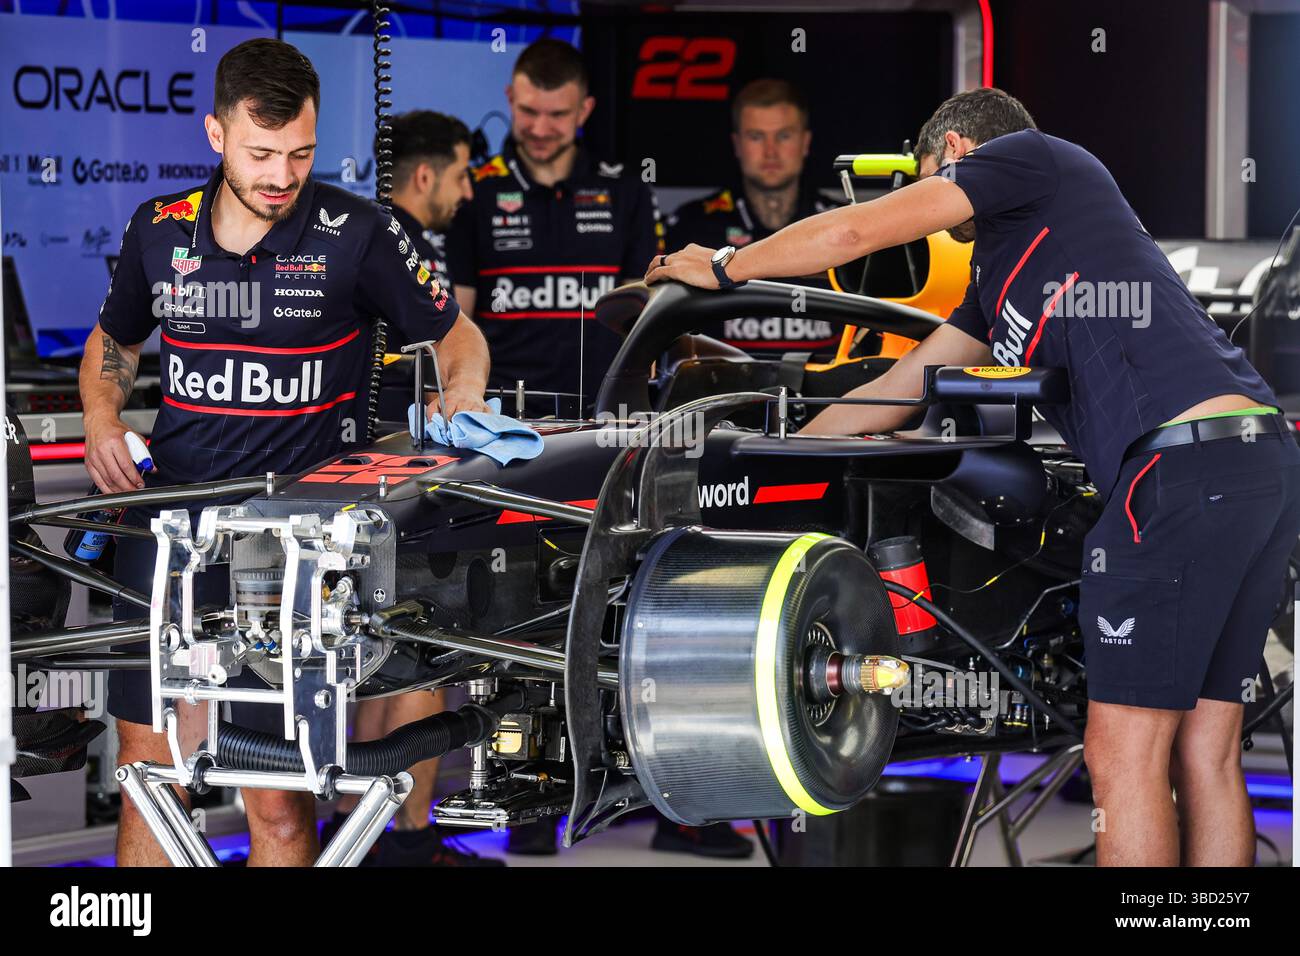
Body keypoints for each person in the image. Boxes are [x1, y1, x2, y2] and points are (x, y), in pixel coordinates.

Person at [647, 87, 1300, 867]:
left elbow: (854, 228)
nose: (930, 204)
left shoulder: (1031, 158)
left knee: (1122, 754)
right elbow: (895, 392)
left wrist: (723, 266)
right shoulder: (1002, 271)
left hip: (1179, 464)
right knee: (1206, 746)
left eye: (926, 177)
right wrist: (770, 459)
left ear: (955, 152)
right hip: (1251, 456)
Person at [81, 38, 491, 866]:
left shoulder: (360, 231)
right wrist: (99, 417)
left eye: (299, 153)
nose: (280, 175)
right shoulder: (158, 229)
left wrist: (465, 405)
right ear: (215, 135)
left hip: (292, 552)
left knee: (277, 795)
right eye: (261, 153)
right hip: (165, 538)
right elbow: (110, 343)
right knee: (150, 779)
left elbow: (459, 339)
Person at [318, 109, 499, 866]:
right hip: (400, 477)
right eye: (461, 174)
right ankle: (411, 837)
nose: (465, 191)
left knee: (363, 656)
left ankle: (356, 834)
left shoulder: (344, 237)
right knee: (431, 641)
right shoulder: (399, 247)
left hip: (341, 480)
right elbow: (453, 341)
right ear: (424, 175)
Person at [445, 37, 662, 418]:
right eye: (528, 111)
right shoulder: (474, 190)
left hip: (603, 415)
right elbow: (455, 318)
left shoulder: (626, 191)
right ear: (510, 98)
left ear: (585, 110)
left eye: (558, 115)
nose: (540, 129)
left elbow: (641, 312)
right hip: (498, 416)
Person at [665, 78, 840, 356]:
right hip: (720, 391)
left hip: (828, 391)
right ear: (737, 144)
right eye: (756, 137)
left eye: (783, 136)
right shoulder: (693, 224)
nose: (771, 151)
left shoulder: (839, 223)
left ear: (805, 142)